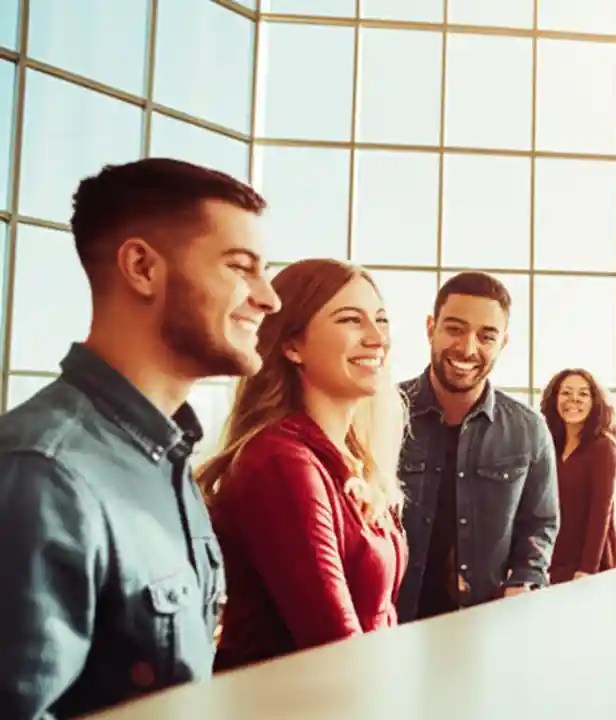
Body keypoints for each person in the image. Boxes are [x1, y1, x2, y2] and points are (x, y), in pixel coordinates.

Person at [0, 159, 280, 718]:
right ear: (142, 268)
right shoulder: (45, 474)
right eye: (240, 267)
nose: (269, 298)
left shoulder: (167, 461)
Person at [195, 259, 407, 670]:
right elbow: (336, 650)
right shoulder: (282, 460)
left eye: (380, 320)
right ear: (293, 345)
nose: (376, 337)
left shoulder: (346, 460)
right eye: (351, 320)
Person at [395, 271, 558, 620]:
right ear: (430, 328)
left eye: (486, 336)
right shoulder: (382, 412)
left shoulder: (529, 429)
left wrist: (525, 581)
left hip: (484, 627)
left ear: (503, 343)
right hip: (389, 625)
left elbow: (540, 524)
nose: (468, 348)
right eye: (454, 328)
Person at [539, 368, 616, 584]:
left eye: (583, 394)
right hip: (556, 559)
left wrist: (587, 570)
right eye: (566, 393)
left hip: (591, 563)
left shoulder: (603, 447)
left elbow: (600, 512)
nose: (574, 399)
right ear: (555, 399)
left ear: (595, 402)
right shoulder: (550, 445)